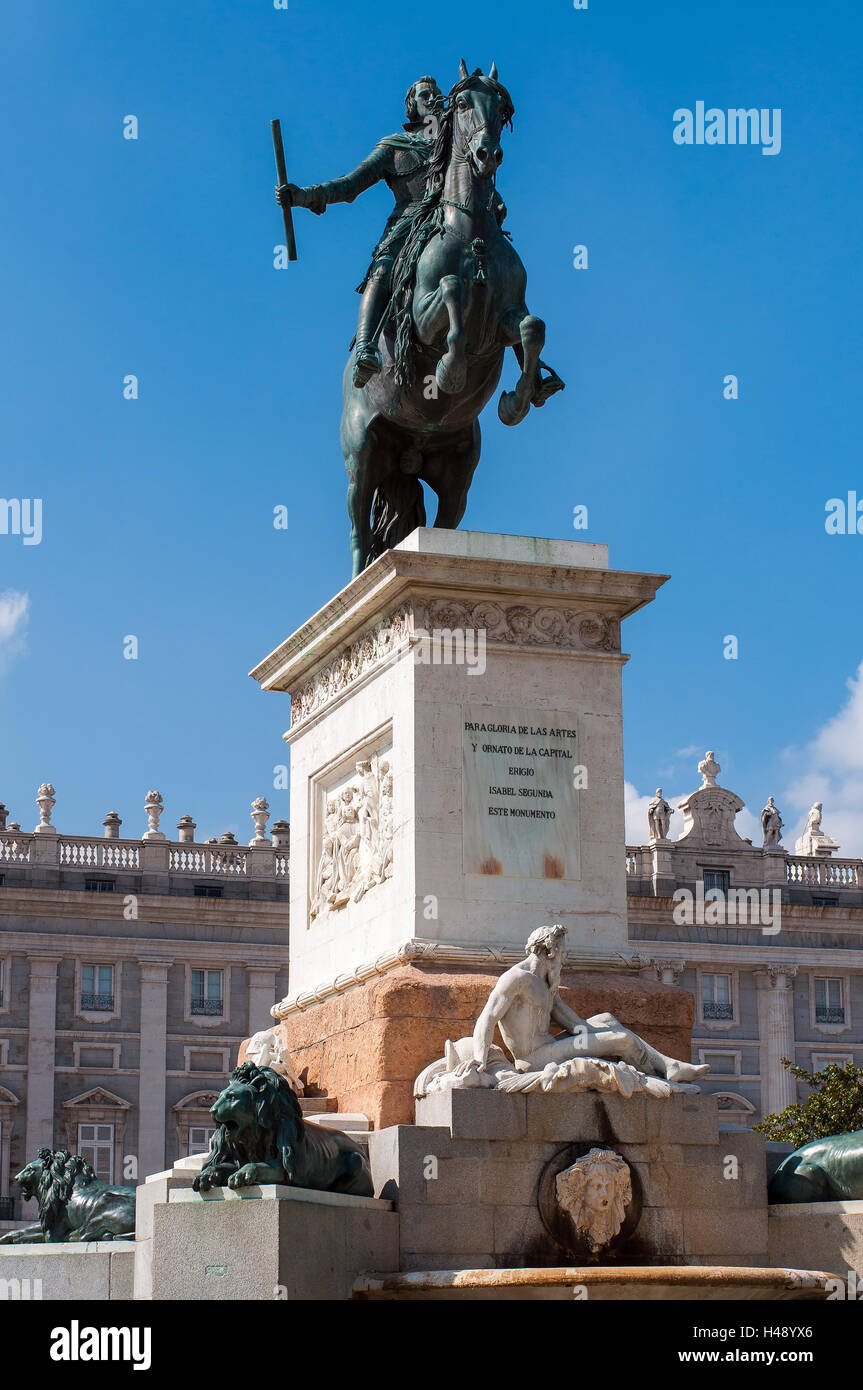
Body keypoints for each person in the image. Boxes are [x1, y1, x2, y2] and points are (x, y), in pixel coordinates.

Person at [466, 923, 708, 1084]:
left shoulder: (546, 983)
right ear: (551, 951)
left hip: (550, 1048)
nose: (564, 958)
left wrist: (602, 1035)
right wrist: (480, 1059)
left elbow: (574, 1024)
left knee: (607, 1020)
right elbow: (486, 1018)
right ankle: (657, 1079)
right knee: (622, 1040)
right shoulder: (517, 979)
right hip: (533, 1059)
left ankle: (666, 1065)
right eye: (563, 952)